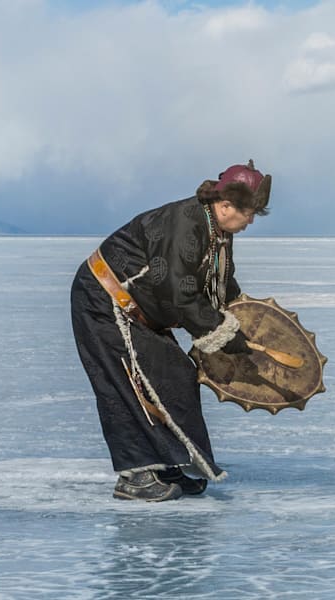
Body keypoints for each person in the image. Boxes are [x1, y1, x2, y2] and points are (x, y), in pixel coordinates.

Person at [70, 161, 270, 501]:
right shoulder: (185, 225)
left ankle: (167, 463)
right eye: (248, 213)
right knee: (127, 382)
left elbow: (220, 283)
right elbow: (178, 290)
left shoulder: (217, 231)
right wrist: (221, 332)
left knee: (175, 375)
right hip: (104, 300)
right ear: (225, 206)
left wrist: (241, 320)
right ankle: (135, 476)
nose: (250, 221)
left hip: (140, 311)